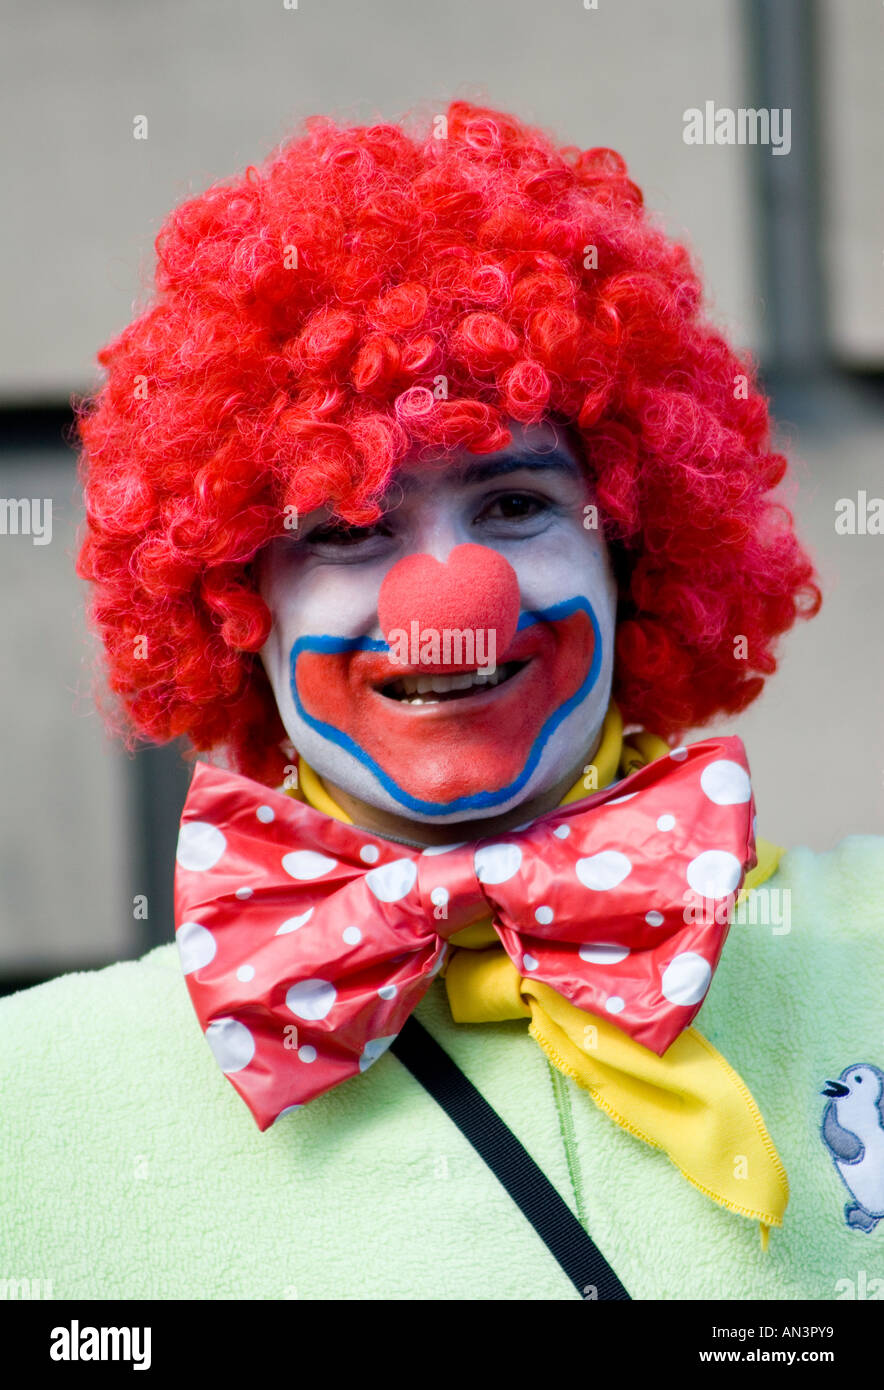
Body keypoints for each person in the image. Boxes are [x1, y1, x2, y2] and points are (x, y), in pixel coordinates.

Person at [1, 101, 881, 1301]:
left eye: (516, 503)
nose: (447, 601)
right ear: (232, 603)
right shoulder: (34, 1102)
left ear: (634, 547)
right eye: (348, 528)